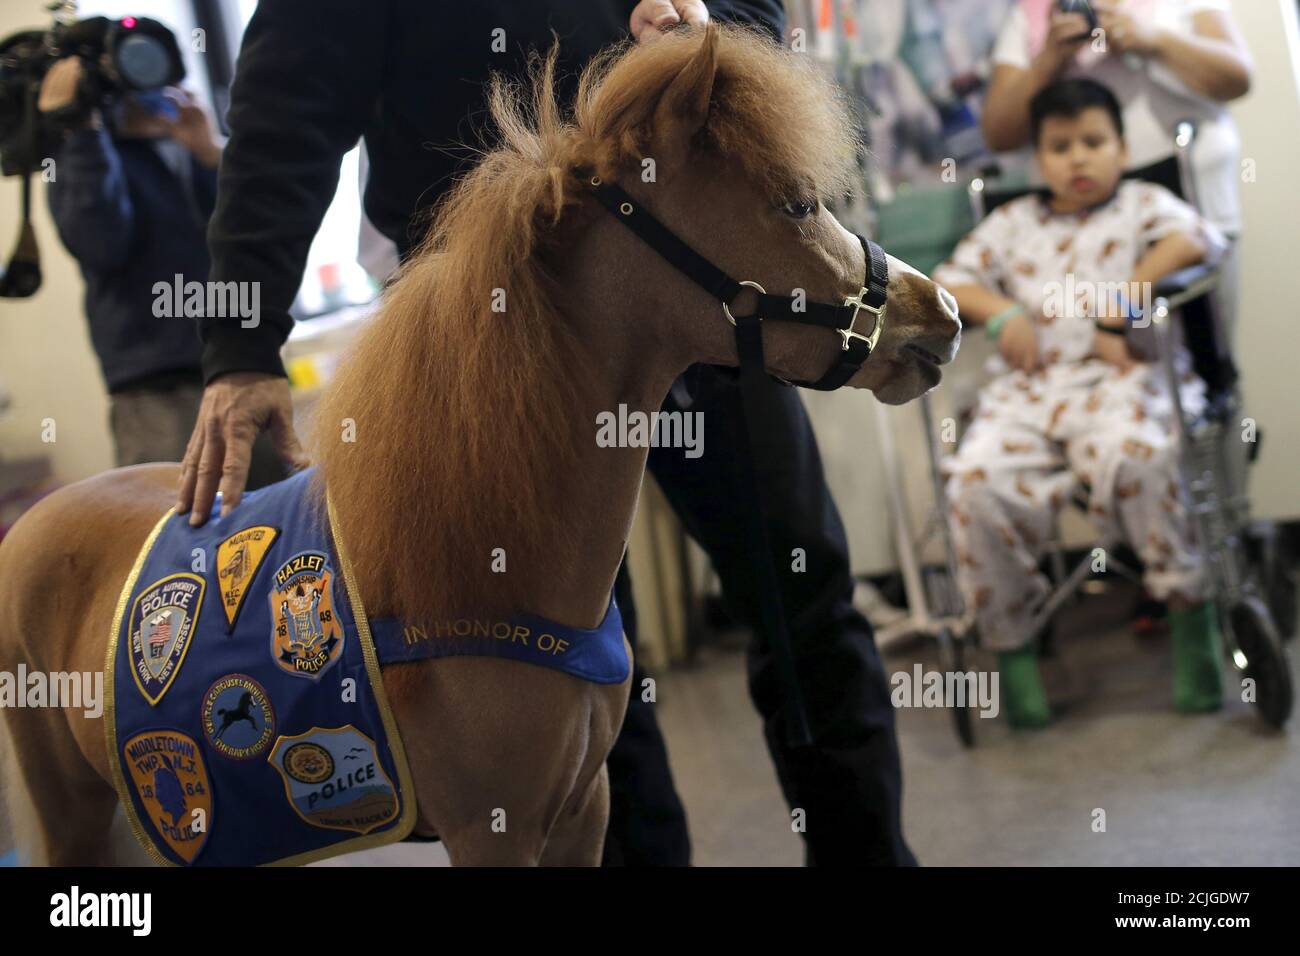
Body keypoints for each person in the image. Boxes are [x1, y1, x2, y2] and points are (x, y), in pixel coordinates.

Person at [179, 0, 916, 866]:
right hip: (494, 330)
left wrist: (706, 24)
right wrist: (240, 340)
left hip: (707, 288)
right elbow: (284, 110)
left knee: (802, 593)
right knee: (556, 653)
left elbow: (752, 15)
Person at [933, 78, 1228, 727]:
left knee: (1143, 457)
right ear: (1039, 160)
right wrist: (1002, 310)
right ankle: (1014, 656)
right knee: (976, 486)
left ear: (1121, 148)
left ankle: (1191, 626)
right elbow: (951, 280)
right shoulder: (1011, 224)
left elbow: (1200, 239)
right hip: (1030, 394)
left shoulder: (1144, 207)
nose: (1078, 158)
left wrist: (1126, 299)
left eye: (1094, 142)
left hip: (1121, 384)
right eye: (1060, 147)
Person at [38, 55, 280, 484]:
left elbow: (248, 237)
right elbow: (99, 243)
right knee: (175, 527)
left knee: (275, 522)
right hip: (154, 387)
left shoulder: (184, 147)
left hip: (238, 365)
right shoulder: (80, 155)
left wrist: (208, 155)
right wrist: (84, 134)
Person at [982, 0, 1252, 237]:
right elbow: (999, 135)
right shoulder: (1030, 14)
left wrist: (1154, 39)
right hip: (1081, 216)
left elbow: (1237, 78)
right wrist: (1048, 60)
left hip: (1191, 194)